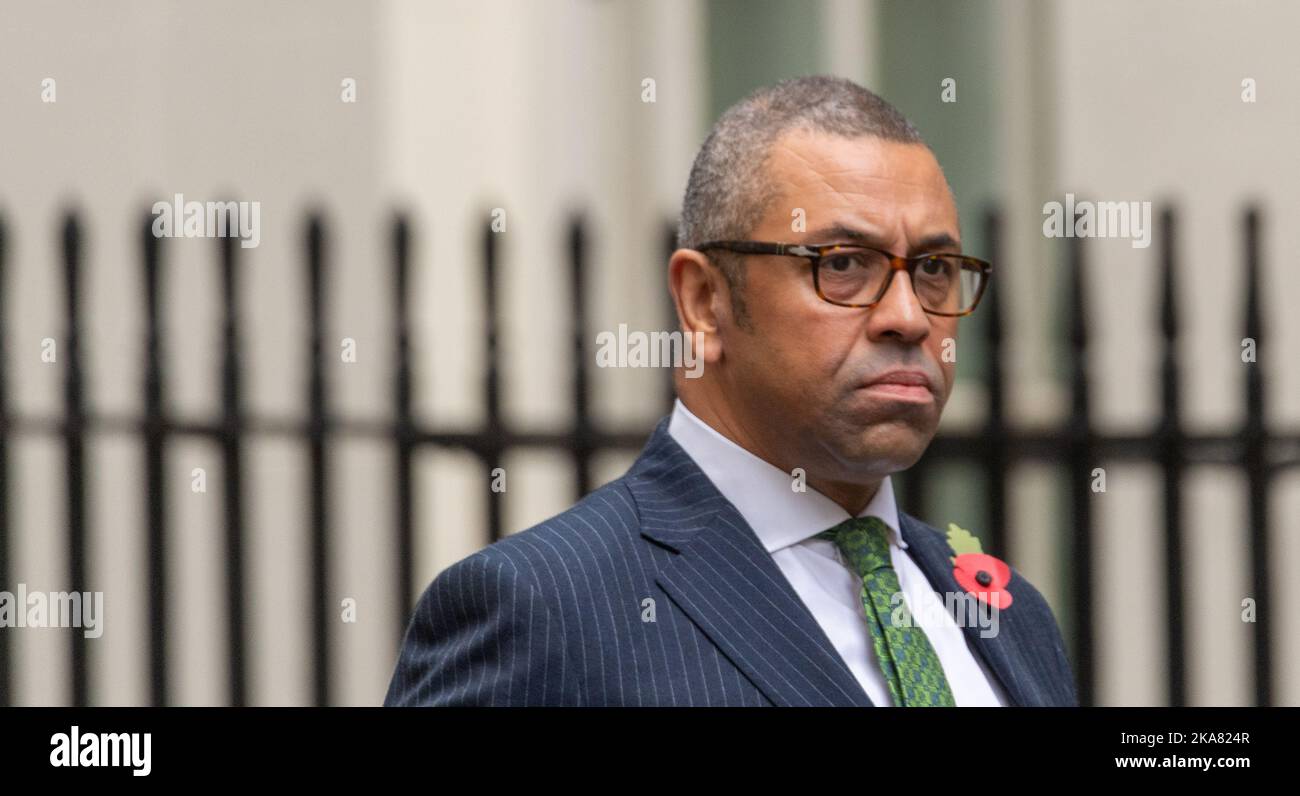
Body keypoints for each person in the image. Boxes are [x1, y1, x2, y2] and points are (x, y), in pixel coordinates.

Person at [384, 74, 1078, 707]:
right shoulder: (542, 609)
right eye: (842, 264)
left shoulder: (1010, 615)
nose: (908, 317)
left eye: (934, 268)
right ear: (703, 301)